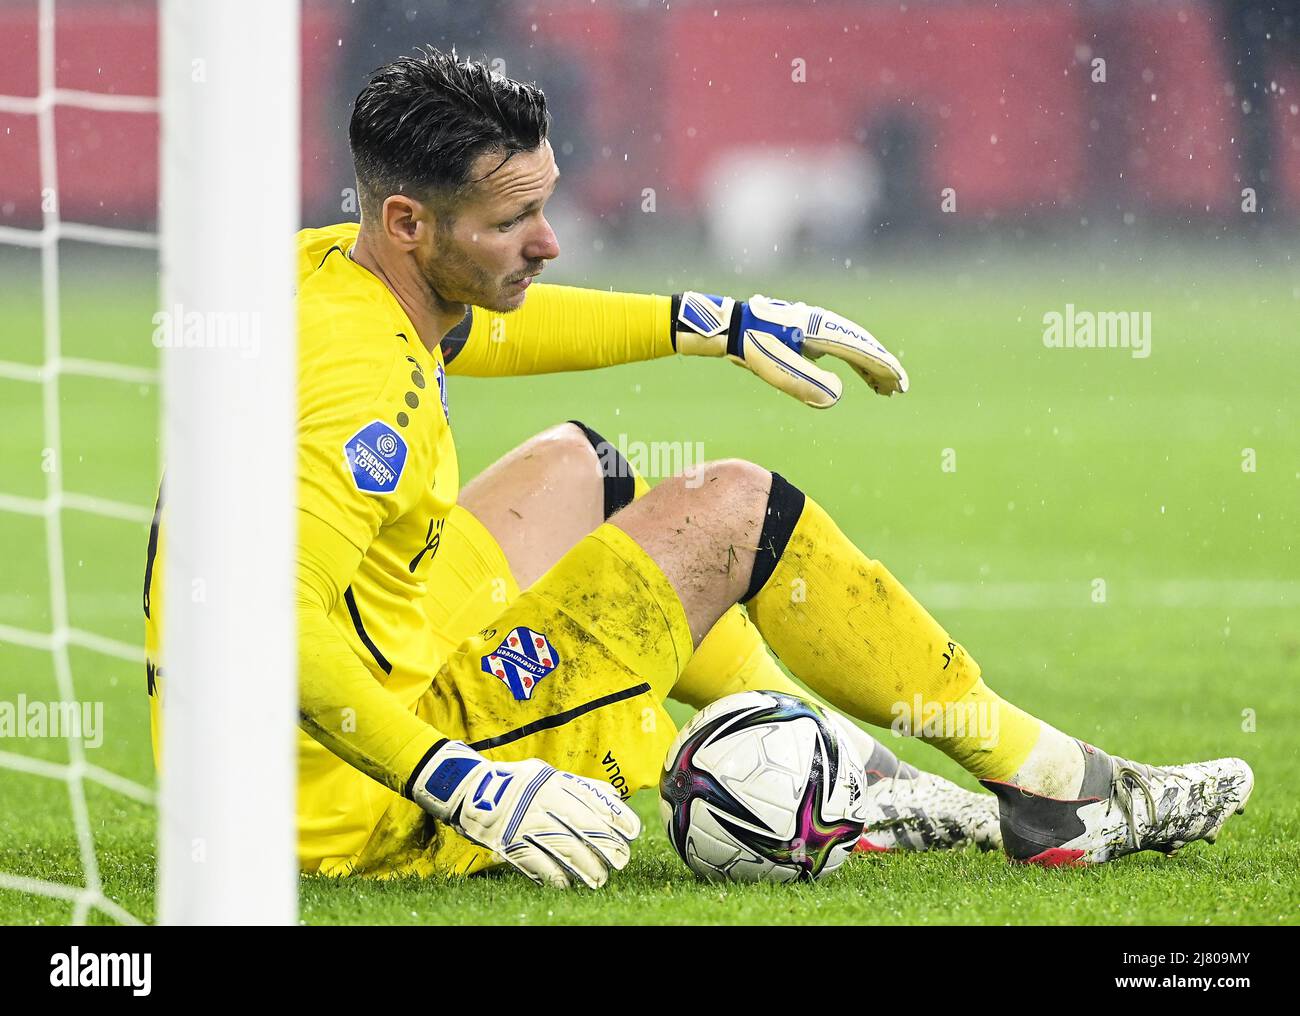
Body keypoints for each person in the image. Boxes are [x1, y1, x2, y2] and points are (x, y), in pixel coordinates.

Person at [145, 49, 1250, 888]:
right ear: (406, 218)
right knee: (736, 506)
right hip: (351, 800)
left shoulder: (338, 273)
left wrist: (708, 320)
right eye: (514, 219)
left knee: (584, 467)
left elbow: (475, 334)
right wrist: (461, 782)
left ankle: (849, 775)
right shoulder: (361, 395)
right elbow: (257, 626)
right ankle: (1055, 787)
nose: (548, 242)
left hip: (248, 774)